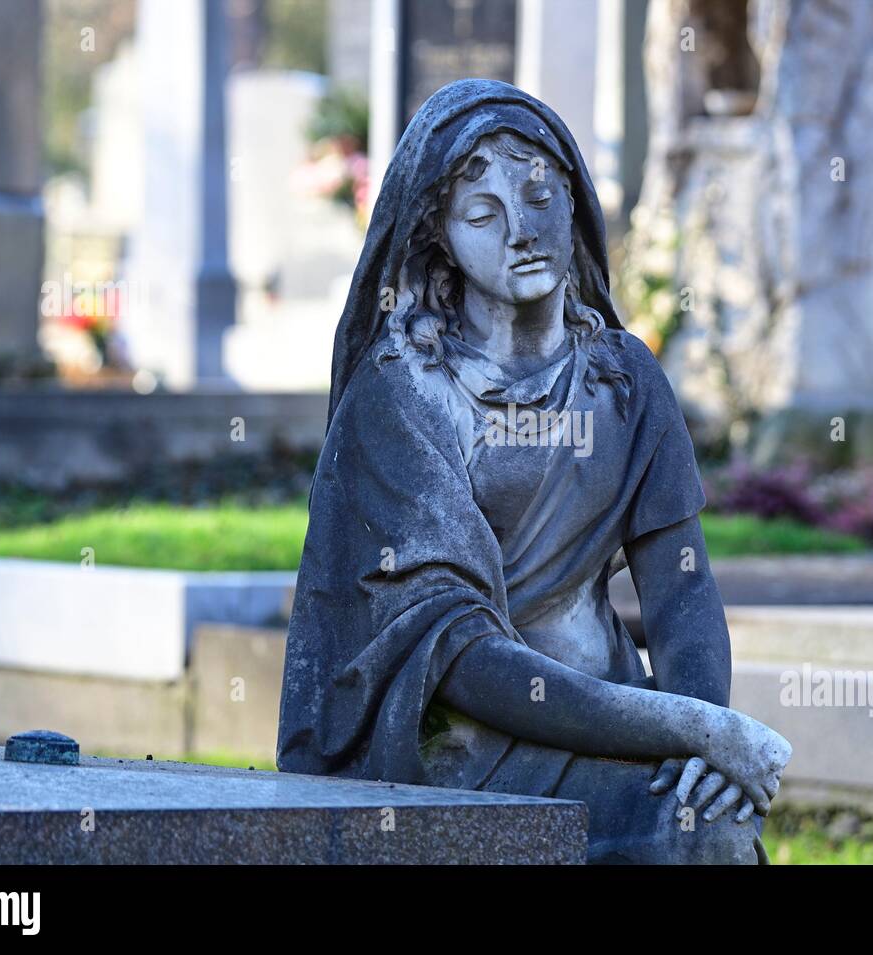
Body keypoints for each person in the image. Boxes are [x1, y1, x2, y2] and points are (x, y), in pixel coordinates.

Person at [278, 79, 790, 863]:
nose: (523, 231)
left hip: (618, 719)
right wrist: (693, 728)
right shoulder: (404, 392)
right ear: (438, 236)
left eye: (541, 197)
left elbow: (682, 586)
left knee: (706, 826)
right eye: (484, 214)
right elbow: (460, 658)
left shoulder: (624, 379)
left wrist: (697, 748)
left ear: (574, 203)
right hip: (462, 749)